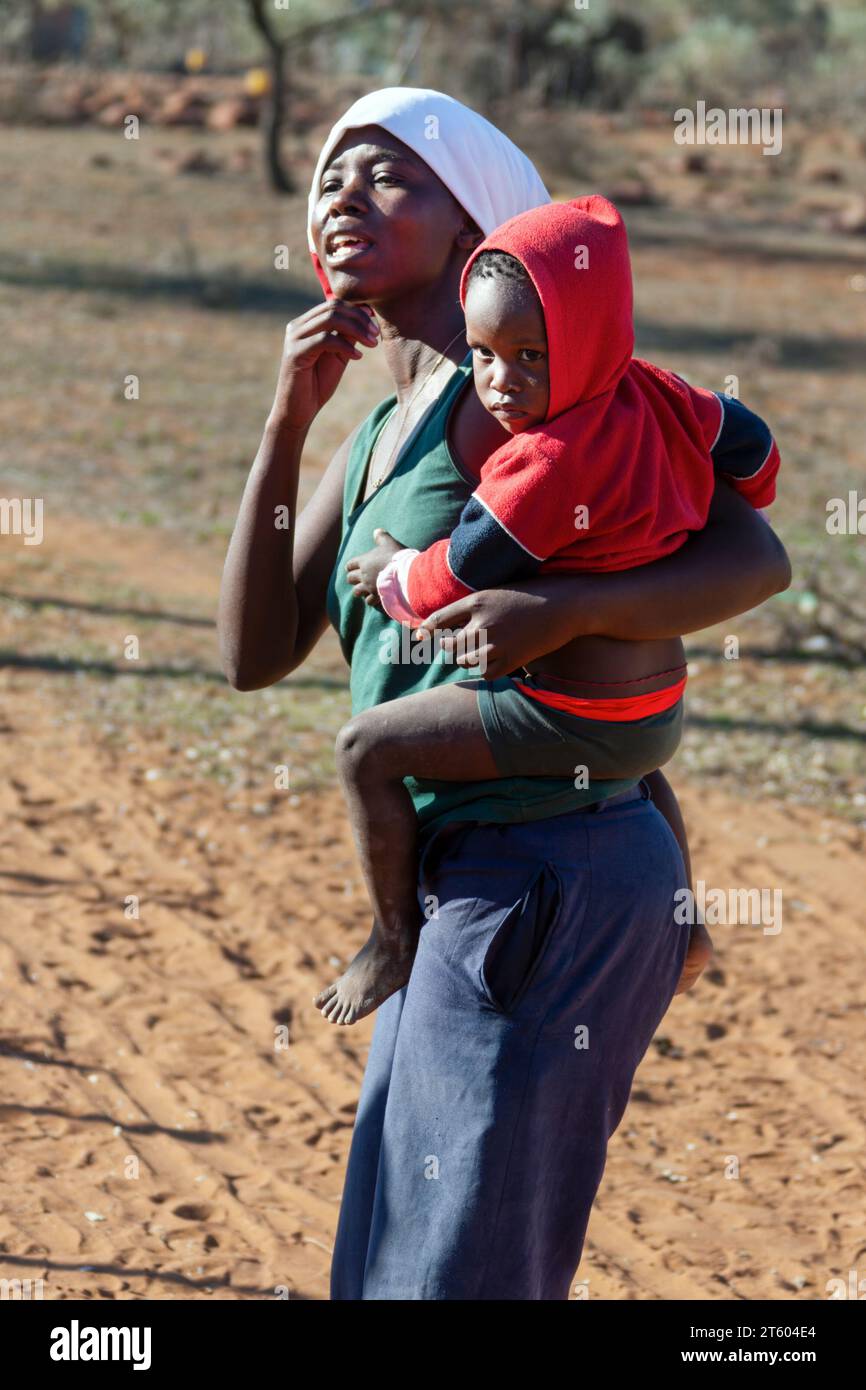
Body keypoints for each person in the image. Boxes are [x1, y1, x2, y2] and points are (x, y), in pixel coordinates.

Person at [218, 87, 791, 1300]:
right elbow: (252, 647)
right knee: (397, 1259)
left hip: (550, 870)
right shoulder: (384, 428)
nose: (341, 201)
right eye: (328, 179)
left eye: (389, 177)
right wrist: (286, 420)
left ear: (478, 214)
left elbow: (750, 556)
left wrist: (566, 609)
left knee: (453, 1274)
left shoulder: (558, 401)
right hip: (457, 884)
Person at [317, 194, 781, 1026]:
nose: (501, 382)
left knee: (363, 750)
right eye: (486, 355)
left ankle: (390, 939)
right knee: (637, 771)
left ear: (587, 335)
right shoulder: (660, 395)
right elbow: (743, 438)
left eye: (531, 354)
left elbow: (464, 568)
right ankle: (685, 927)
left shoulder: (546, 459)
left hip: (568, 709)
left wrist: (393, 575)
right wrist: (753, 483)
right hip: (653, 708)